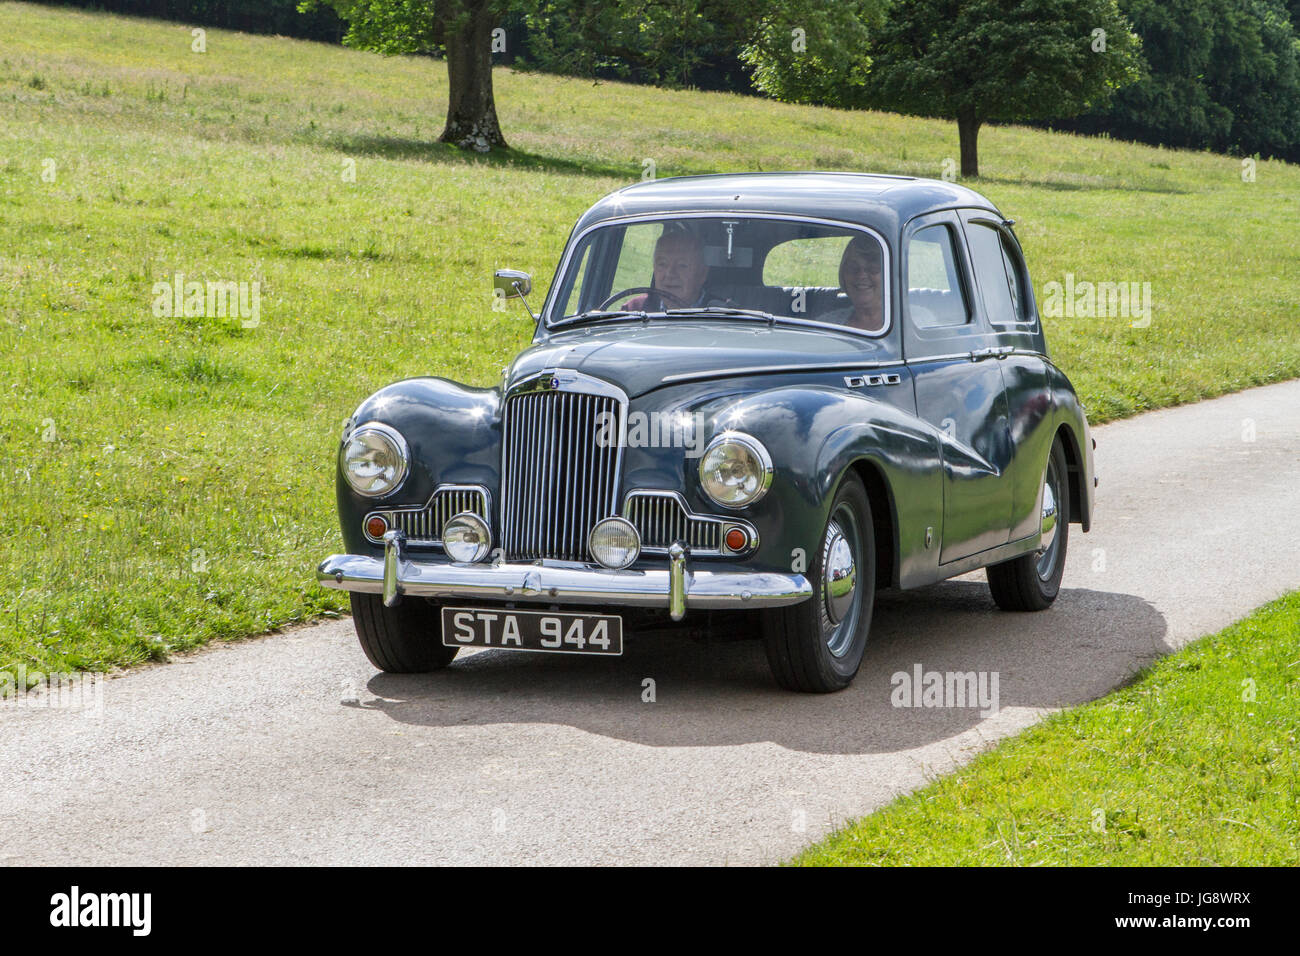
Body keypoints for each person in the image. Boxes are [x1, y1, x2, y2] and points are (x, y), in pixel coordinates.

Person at [624, 226, 716, 310]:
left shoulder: (720, 315)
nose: (670, 274)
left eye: (682, 265)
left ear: (702, 273)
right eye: (662, 264)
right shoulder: (634, 310)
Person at [821, 235, 886, 332]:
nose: (861, 275)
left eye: (872, 268)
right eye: (853, 268)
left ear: (888, 274)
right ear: (843, 274)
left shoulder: (913, 320)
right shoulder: (826, 324)